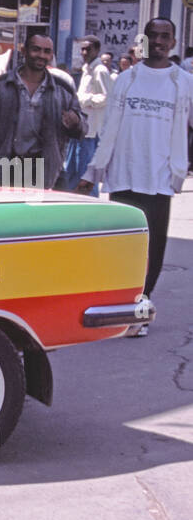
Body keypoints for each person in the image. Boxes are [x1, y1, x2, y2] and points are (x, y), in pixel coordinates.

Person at [78, 18, 193, 327]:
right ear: (145, 39)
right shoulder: (127, 79)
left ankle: (141, 312)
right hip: (124, 174)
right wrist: (92, 171)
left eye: (164, 36)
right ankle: (120, 309)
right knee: (123, 250)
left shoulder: (184, 82)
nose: (157, 41)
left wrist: (180, 167)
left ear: (173, 41)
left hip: (160, 180)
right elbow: (111, 127)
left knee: (152, 252)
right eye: (152, 35)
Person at [0, 30, 83, 190]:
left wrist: (75, 122)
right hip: (5, 168)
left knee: (39, 215)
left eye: (47, 51)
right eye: (36, 49)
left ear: (52, 55)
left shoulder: (63, 89)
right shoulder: (1, 86)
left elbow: (81, 129)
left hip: (43, 170)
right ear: (24, 51)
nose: (41, 55)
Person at [61, 35, 112, 192]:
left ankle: (90, 204)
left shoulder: (100, 70)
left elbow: (105, 97)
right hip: (79, 128)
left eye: (88, 49)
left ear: (96, 50)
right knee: (71, 170)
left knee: (86, 174)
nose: (84, 52)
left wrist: (84, 99)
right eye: (82, 49)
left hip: (90, 131)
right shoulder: (86, 69)